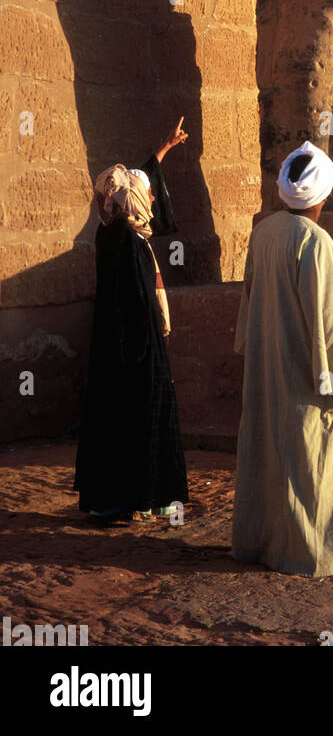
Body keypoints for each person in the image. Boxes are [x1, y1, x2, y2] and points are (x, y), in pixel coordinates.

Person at [231, 140, 333, 577]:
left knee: (273, 455)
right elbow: (332, 317)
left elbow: (249, 298)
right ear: (324, 194)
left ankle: (266, 543)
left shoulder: (265, 231)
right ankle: (314, 550)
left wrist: (251, 349)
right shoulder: (316, 242)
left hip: (270, 361)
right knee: (315, 460)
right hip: (313, 373)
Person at [73, 119, 190, 526]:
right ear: (135, 200)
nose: (155, 201)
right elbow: (138, 300)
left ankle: (123, 498)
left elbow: (130, 184)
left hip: (119, 347)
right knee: (140, 419)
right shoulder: (126, 241)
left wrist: (163, 149)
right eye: (150, 196)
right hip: (135, 350)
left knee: (118, 420)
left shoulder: (113, 231)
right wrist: (146, 351)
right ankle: (138, 498)